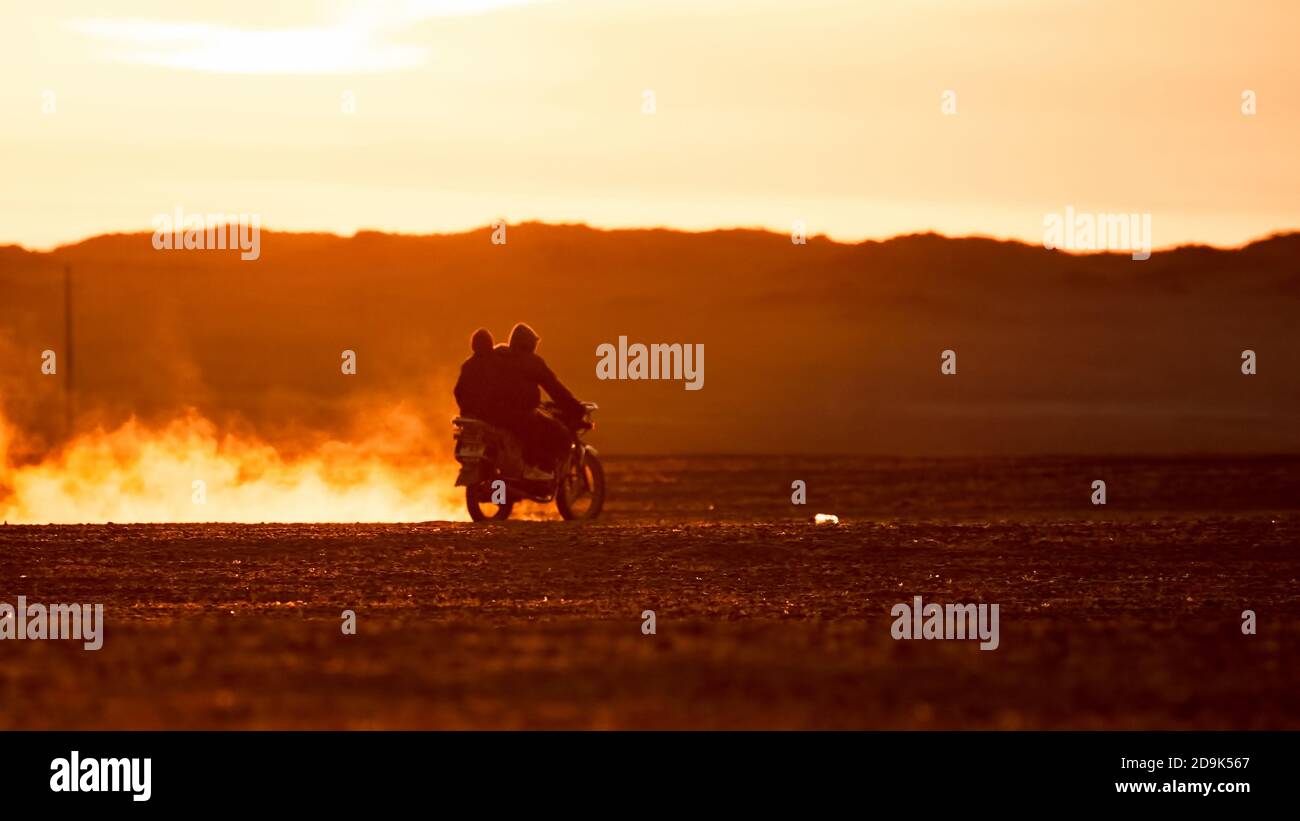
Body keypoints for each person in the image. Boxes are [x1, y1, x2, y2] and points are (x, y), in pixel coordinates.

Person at [495, 322, 584, 480]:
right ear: (528, 344)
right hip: (520, 415)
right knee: (561, 434)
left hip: (495, 415)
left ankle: (519, 481)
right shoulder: (531, 361)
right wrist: (575, 406)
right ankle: (540, 472)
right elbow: (554, 388)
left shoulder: (498, 356)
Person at [453, 328, 505, 420]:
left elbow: (458, 391)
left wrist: (466, 409)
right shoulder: (499, 362)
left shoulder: (467, 365)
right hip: (492, 417)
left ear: (473, 346)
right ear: (490, 343)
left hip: (469, 416)